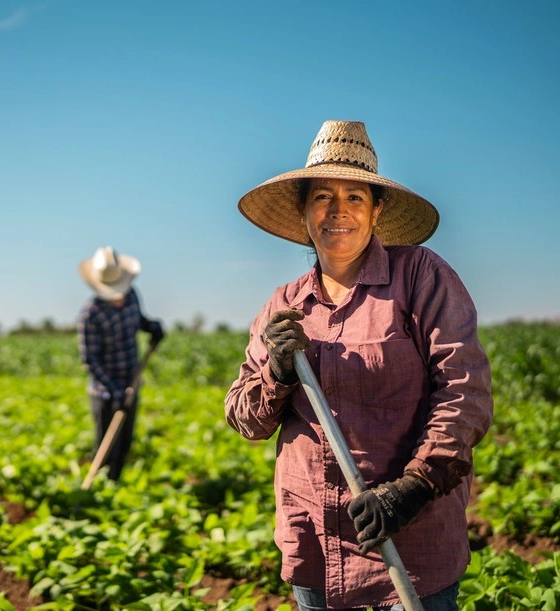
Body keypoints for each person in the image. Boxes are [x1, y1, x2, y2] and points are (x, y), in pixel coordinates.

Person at [225, 121, 493, 610]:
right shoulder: (283, 305)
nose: (338, 211)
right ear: (304, 211)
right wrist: (278, 374)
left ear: (376, 210)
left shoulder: (420, 277)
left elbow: (464, 392)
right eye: (322, 196)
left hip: (409, 543)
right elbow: (244, 417)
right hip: (316, 542)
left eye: (354, 197)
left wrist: (413, 487)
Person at [77, 246, 164, 481]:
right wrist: (115, 390)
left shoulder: (132, 295)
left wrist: (152, 327)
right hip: (104, 391)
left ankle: (115, 484)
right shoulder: (91, 315)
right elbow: (90, 360)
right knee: (106, 443)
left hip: (131, 381)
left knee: (124, 443)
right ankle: (101, 489)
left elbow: (139, 320)